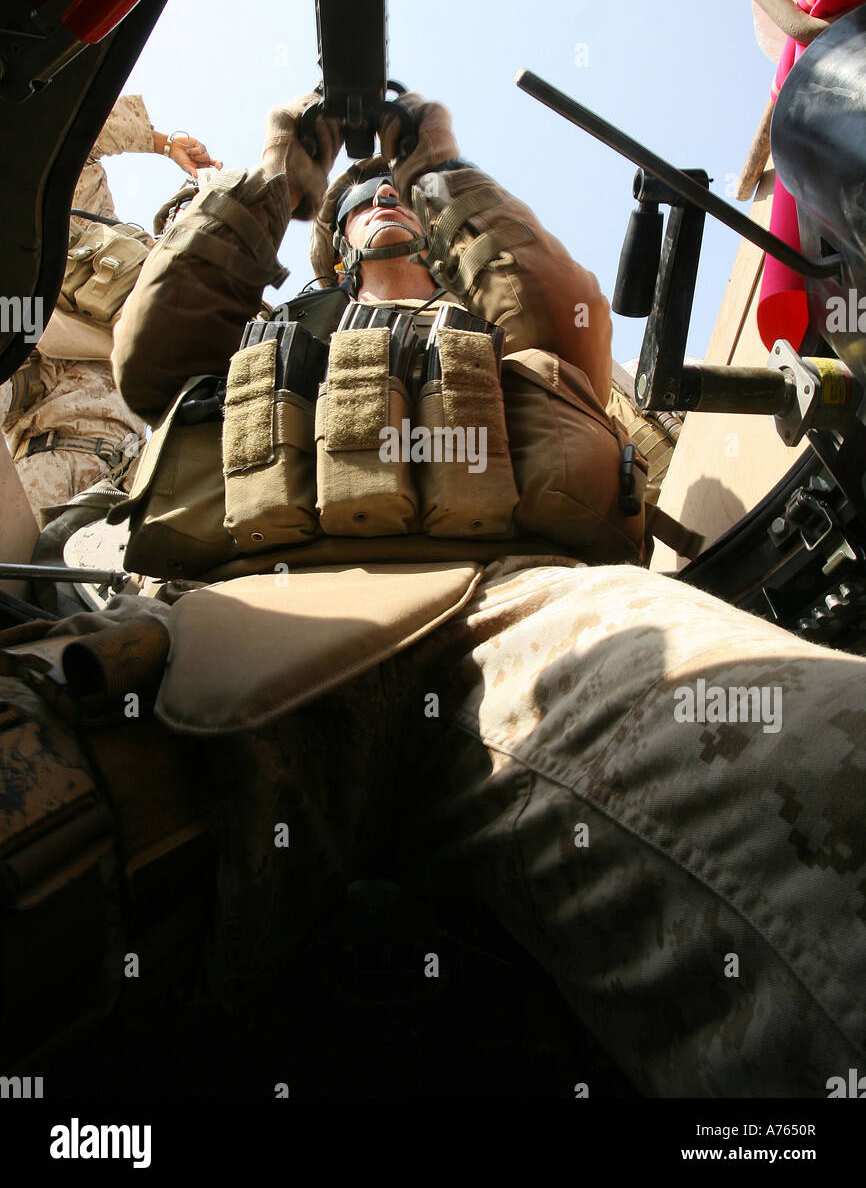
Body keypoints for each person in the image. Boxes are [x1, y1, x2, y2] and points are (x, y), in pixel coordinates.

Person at [106, 89, 866, 1099]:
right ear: (329, 243)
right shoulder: (273, 329)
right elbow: (151, 354)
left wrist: (436, 164)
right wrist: (285, 170)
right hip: (235, 629)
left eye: (393, 194)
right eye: (355, 199)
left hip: (504, 616)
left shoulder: (493, 319)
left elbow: (559, 310)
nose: (376, 201)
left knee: (811, 774)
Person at [0, 93, 221, 520]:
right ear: (163, 222)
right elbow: (73, 129)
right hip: (47, 464)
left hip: (132, 484)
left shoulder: (203, 309)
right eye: (180, 210)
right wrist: (162, 142)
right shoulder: (85, 226)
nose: (189, 217)